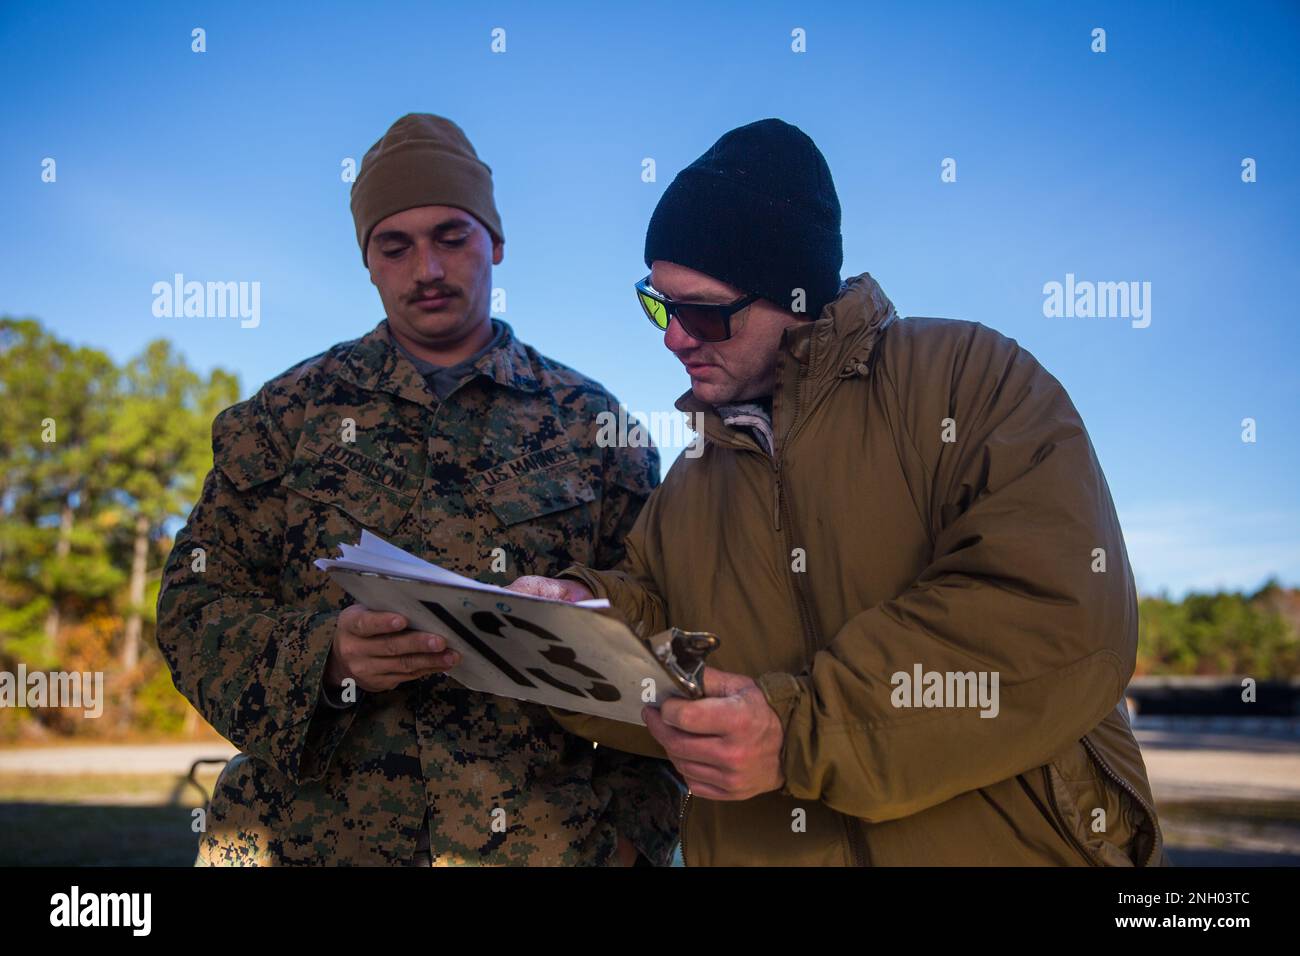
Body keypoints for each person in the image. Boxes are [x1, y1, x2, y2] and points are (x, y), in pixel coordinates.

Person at [510, 118, 1168, 866]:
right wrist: (571, 622)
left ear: (793, 291)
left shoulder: (970, 381)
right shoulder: (691, 479)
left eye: (701, 311)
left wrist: (797, 733)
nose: (673, 338)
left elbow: (1057, 616)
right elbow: (665, 643)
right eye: (657, 304)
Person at [156, 113, 680, 866]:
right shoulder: (283, 417)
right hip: (306, 844)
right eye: (395, 246)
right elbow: (191, 611)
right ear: (367, 261)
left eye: (451, 237)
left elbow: (664, 636)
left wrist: (634, 840)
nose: (427, 269)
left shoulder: (594, 427)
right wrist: (326, 657)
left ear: (495, 243)